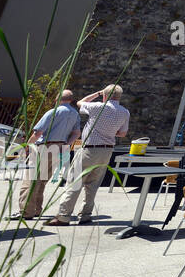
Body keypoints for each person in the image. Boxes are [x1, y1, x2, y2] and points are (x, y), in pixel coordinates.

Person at [48, 85, 129, 226]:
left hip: (90, 149)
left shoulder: (97, 107)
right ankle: (85, 215)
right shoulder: (125, 112)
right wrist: (109, 132)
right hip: (107, 151)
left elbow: (80, 102)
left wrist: (97, 93)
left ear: (105, 95)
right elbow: (122, 133)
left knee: (74, 182)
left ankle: (63, 216)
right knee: (93, 184)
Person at [14, 90, 81, 220]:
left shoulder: (53, 112)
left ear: (57, 99)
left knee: (31, 180)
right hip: (60, 147)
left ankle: (26, 212)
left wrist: (27, 146)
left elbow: (38, 133)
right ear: (71, 100)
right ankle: (37, 209)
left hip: (44, 147)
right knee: (42, 180)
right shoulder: (75, 114)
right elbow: (77, 133)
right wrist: (66, 144)